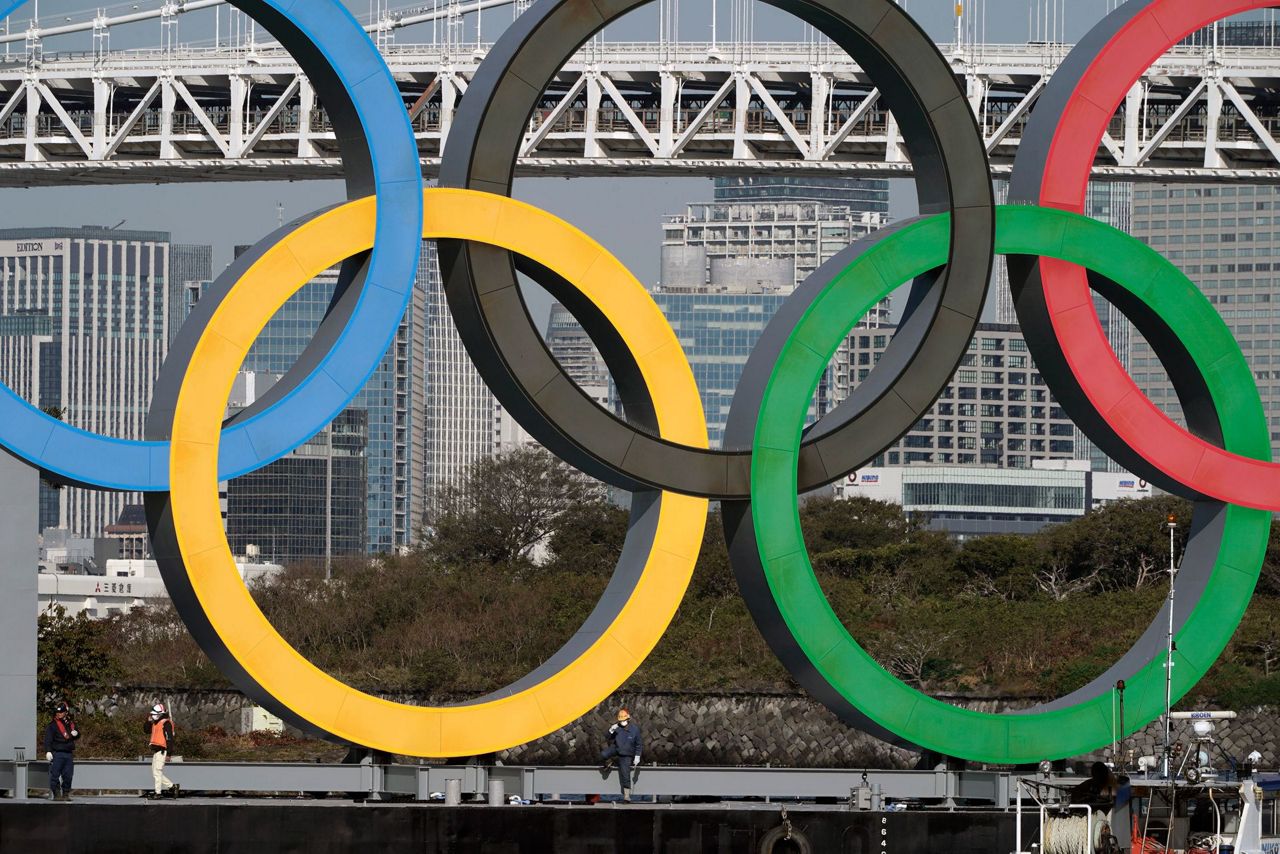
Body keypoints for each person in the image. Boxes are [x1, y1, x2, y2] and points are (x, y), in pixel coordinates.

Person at [600, 708, 643, 802]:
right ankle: (610, 761)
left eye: (624, 720)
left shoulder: (634, 730)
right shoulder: (617, 727)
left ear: (628, 719)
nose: (622, 722)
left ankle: (626, 796)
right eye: (621, 720)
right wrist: (611, 730)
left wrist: (637, 756)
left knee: (625, 774)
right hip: (616, 748)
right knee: (603, 754)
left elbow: (639, 744)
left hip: (626, 754)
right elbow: (607, 737)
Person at [42, 702, 80, 801]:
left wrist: (76, 734)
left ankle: (66, 793)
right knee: (55, 775)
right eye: (58, 712)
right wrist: (48, 751)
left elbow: (77, 733)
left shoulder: (70, 724)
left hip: (68, 753)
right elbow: (48, 739)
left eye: (61, 712)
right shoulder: (52, 725)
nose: (59, 714)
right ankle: (57, 794)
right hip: (57, 753)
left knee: (68, 775)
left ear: (66, 712)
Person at [144, 703, 179, 799]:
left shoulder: (166, 723)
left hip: (162, 751)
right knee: (156, 772)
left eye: (154, 714)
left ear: (160, 714)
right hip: (156, 751)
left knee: (157, 772)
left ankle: (158, 793)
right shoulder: (156, 723)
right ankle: (172, 786)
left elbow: (169, 739)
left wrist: (169, 753)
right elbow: (146, 730)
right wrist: (148, 721)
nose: (152, 716)